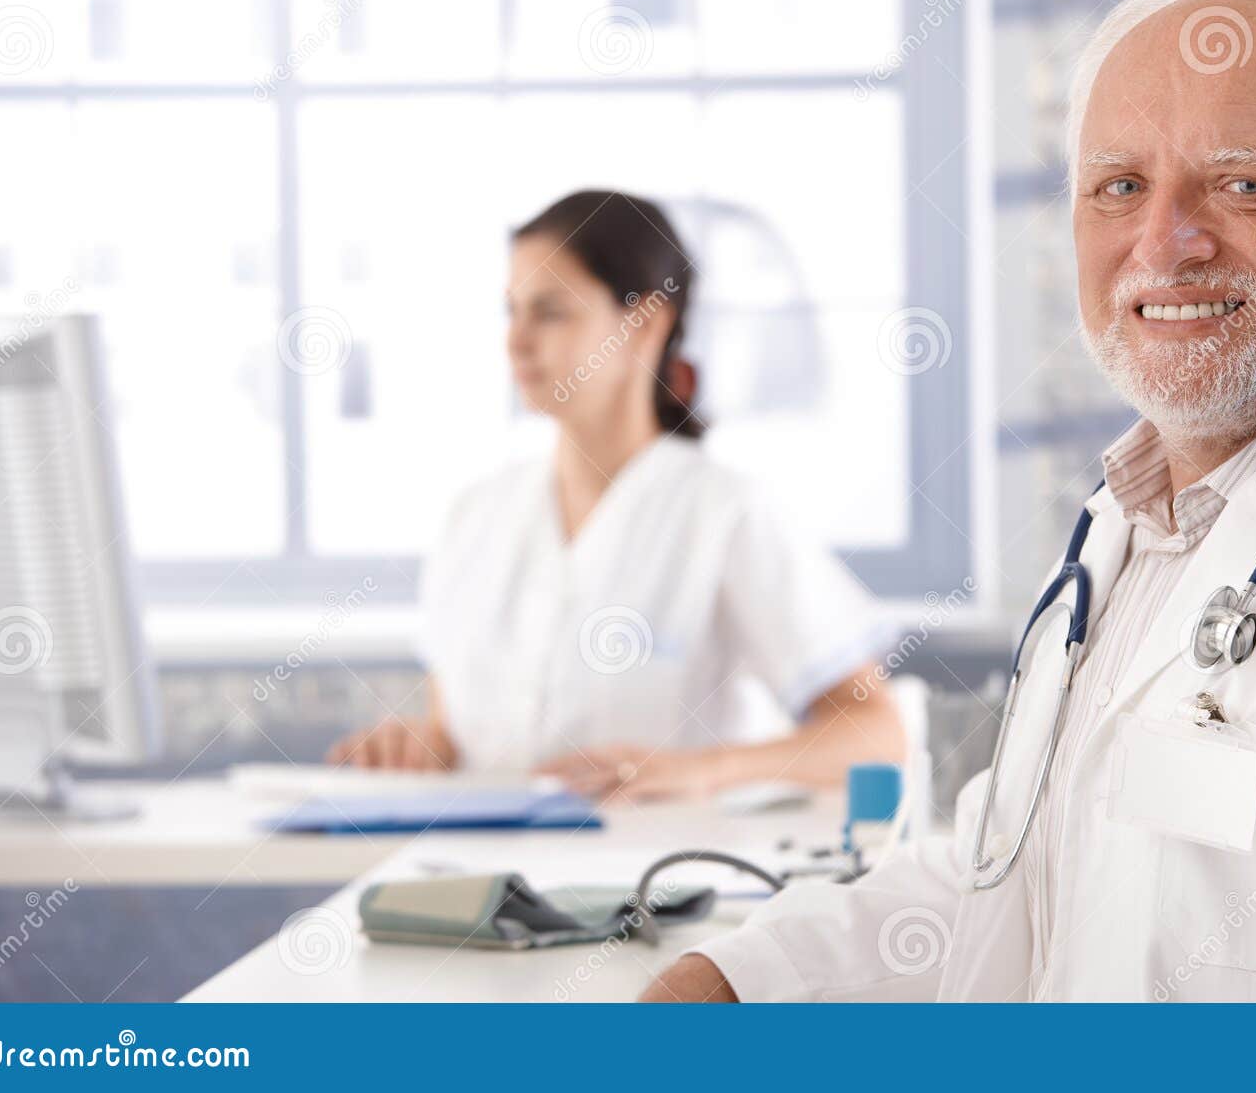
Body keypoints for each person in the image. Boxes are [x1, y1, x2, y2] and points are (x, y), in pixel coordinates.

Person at [643, 0, 1256, 1000]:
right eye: (1119, 187)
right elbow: (1013, 871)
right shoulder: (1131, 521)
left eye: (1245, 183)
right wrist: (726, 980)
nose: (1164, 243)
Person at [327, 190, 905, 799]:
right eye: (511, 312)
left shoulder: (725, 513)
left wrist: (702, 771)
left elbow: (875, 734)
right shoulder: (475, 515)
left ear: (644, 326)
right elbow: (452, 734)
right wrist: (418, 749)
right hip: (477, 880)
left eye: (550, 313)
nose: (516, 342)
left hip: (663, 883)